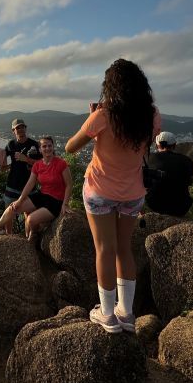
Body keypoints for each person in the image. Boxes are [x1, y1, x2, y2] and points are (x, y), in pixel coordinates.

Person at [64, 59, 161, 334]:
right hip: (133, 194)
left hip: (100, 192)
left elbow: (70, 147)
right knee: (123, 248)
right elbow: (137, 145)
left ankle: (106, 315)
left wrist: (92, 118)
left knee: (104, 249)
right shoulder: (152, 115)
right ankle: (126, 314)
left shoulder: (103, 116)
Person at [0, 136, 72, 240]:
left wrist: (65, 204)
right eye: (44, 146)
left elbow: (69, 184)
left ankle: (34, 233)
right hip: (42, 196)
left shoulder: (61, 163)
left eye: (50, 146)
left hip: (56, 201)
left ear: (53, 147)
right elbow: (30, 184)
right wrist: (19, 200)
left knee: (30, 220)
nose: (47, 148)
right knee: (12, 207)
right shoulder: (38, 165)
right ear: (40, 149)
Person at [0, 118, 41, 234]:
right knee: (9, 213)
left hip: (29, 186)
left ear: (25, 128)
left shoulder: (34, 144)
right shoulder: (11, 144)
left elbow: (42, 163)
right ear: (13, 131)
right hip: (12, 185)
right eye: (17, 128)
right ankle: (9, 237)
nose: (20, 129)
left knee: (29, 215)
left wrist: (26, 159)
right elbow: (2, 159)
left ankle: (29, 238)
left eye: (22, 127)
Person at [145, 131, 193, 217]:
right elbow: (190, 181)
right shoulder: (186, 160)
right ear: (174, 145)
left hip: (154, 204)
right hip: (181, 206)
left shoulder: (149, 158)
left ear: (156, 145)